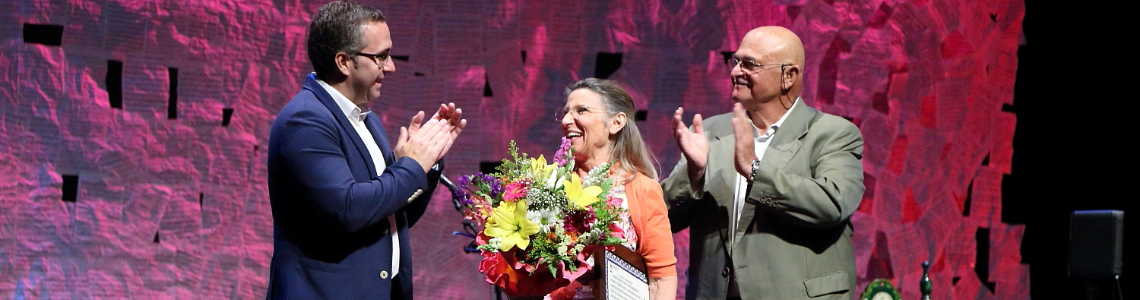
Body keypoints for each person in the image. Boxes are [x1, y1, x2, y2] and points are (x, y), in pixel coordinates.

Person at [266, 1, 465, 299]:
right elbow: (348, 210)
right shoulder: (306, 121)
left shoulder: (365, 119)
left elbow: (388, 216)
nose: (392, 66)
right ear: (344, 62)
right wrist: (409, 167)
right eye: (381, 56)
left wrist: (427, 162)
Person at [663, 26, 865, 300]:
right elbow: (663, 218)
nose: (735, 72)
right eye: (736, 62)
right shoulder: (710, 132)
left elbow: (832, 204)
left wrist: (754, 170)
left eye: (750, 64)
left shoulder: (832, 133)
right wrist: (694, 173)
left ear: (788, 75)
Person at [548, 78, 678, 300]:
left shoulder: (640, 189)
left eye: (582, 110)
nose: (568, 120)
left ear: (616, 123)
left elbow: (661, 277)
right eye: (566, 112)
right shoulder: (548, 184)